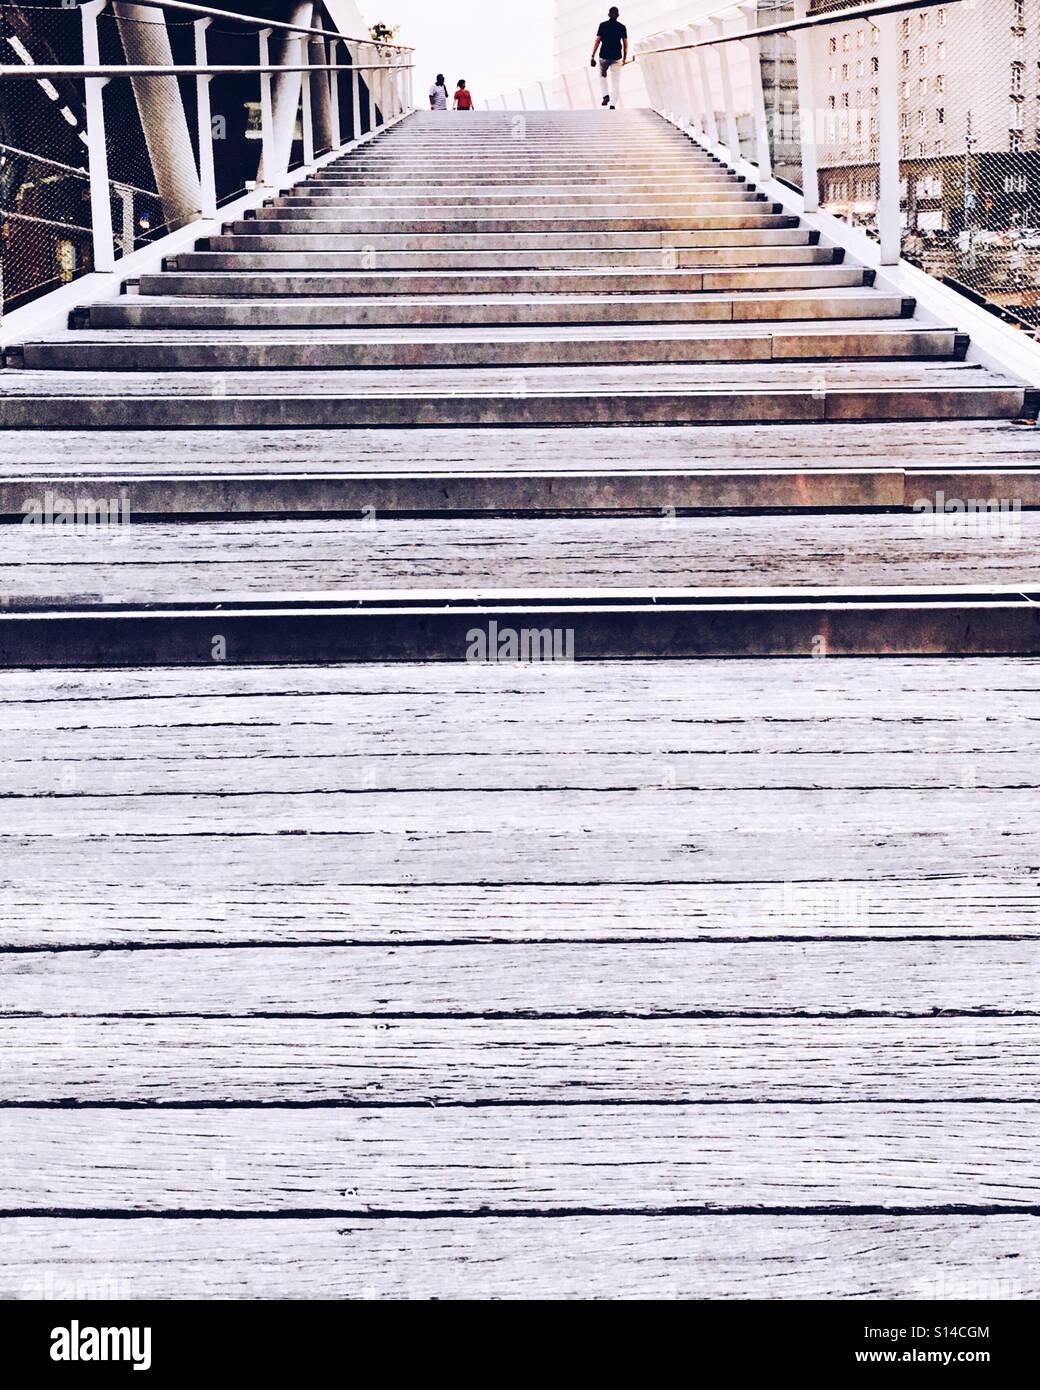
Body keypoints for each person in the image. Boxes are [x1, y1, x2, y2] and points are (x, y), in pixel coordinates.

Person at [591, 6, 628, 109]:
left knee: (602, 76)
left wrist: (592, 55)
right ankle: (612, 104)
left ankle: (605, 95)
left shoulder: (602, 25)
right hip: (617, 57)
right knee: (616, 81)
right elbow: (625, 44)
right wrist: (624, 58)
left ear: (608, 14)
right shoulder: (622, 27)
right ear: (618, 15)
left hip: (604, 57)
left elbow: (597, 41)